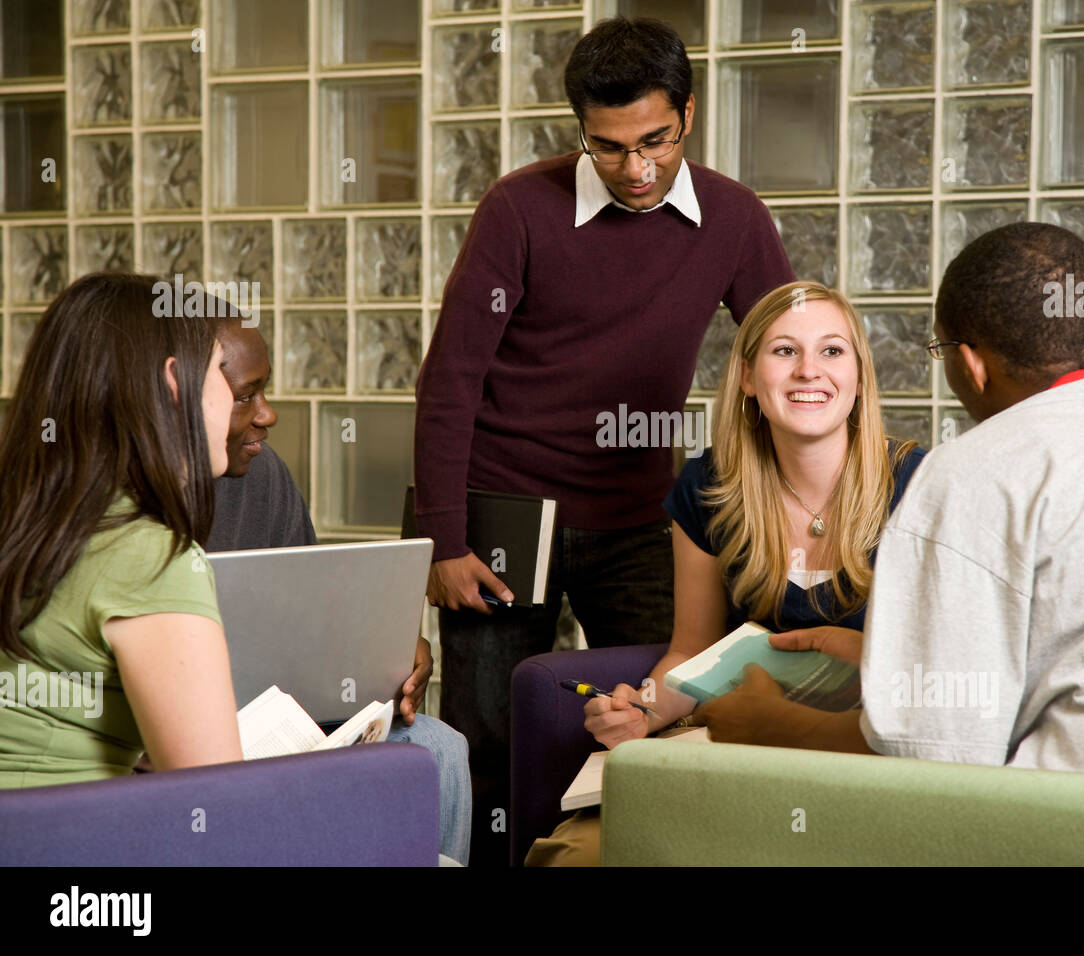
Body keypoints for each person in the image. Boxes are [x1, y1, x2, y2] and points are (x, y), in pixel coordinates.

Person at [695, 223, 1084, 773]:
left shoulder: (969, 473)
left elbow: (934, 759)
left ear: (971, 365)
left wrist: (773, 725)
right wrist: (885, 661)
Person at [414, 17, 794, 863]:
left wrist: (779, 502)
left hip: (638, 518)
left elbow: (788, 349)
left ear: (687, 116)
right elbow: (450, 379)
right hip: (504, 513)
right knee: (490, 742)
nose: (637, 168)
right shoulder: (518, 206)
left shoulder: (732, 217)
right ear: (582, 130)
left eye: (654, 141)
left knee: (671, 707)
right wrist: (443, 538)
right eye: (609, 147)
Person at [524, 280, 926, 865]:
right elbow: (692, 650)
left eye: (832, 351)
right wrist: (640, 710)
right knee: (579, 853)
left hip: (866, 754)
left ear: (860, 377)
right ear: (746, 377)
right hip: (743, 747)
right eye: (784, 351)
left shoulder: (922, 484)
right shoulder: (709, 486)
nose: (809, 371)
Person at [205, 315, 472, 865]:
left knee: (439, 749)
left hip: (284, 722)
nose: (268, 415)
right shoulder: (122, 519)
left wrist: (384, 652)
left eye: (265, 390)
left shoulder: (262, 474)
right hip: (200, 740)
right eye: (245, 396)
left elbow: (309, 610)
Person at [0, 272, 243, 787]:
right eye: (221, 369)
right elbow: (218, 804)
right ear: (176, 383)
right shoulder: (150, 557)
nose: (233, 395)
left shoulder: (30, 520)